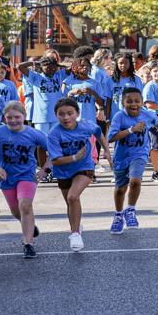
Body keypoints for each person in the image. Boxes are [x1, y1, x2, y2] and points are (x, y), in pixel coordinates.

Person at [0, 100, 47, 257]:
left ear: (24, 116)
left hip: (27, 175)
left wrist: (45, 169)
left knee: (25, 205)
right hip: (6, 177)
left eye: (17, 117)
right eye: (9, 117)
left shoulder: (34, 133)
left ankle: (28, 244)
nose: (13, 120)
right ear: (4, 118)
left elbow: (54, 150)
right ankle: (29, 225)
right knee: (15, 211)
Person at [42, 98, 99, 253]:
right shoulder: (54, 133)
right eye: (61, 114)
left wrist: (107, 150)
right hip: (63, 170)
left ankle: (74, 234)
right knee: (70, 203)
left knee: (73, 197)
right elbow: (56, 160)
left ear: (77, 113)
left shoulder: (86, 126)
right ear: (56, 116)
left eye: (69, 113)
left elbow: (99, 133)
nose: (66, 117)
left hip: (85, 167)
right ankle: (76, 227)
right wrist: (74, 157)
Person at [106, 89, 158, 234]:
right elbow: (111, 138)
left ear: (142, 102)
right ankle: (119, 215)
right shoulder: (119, 117)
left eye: (137, 101)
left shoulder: (147, 114)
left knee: (135, 180)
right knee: (120, 190)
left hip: (140, 153)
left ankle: (130, 209)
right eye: (129, 101)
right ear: (122, 103)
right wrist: (131, 130)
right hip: (121, 156)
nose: (133, 104)